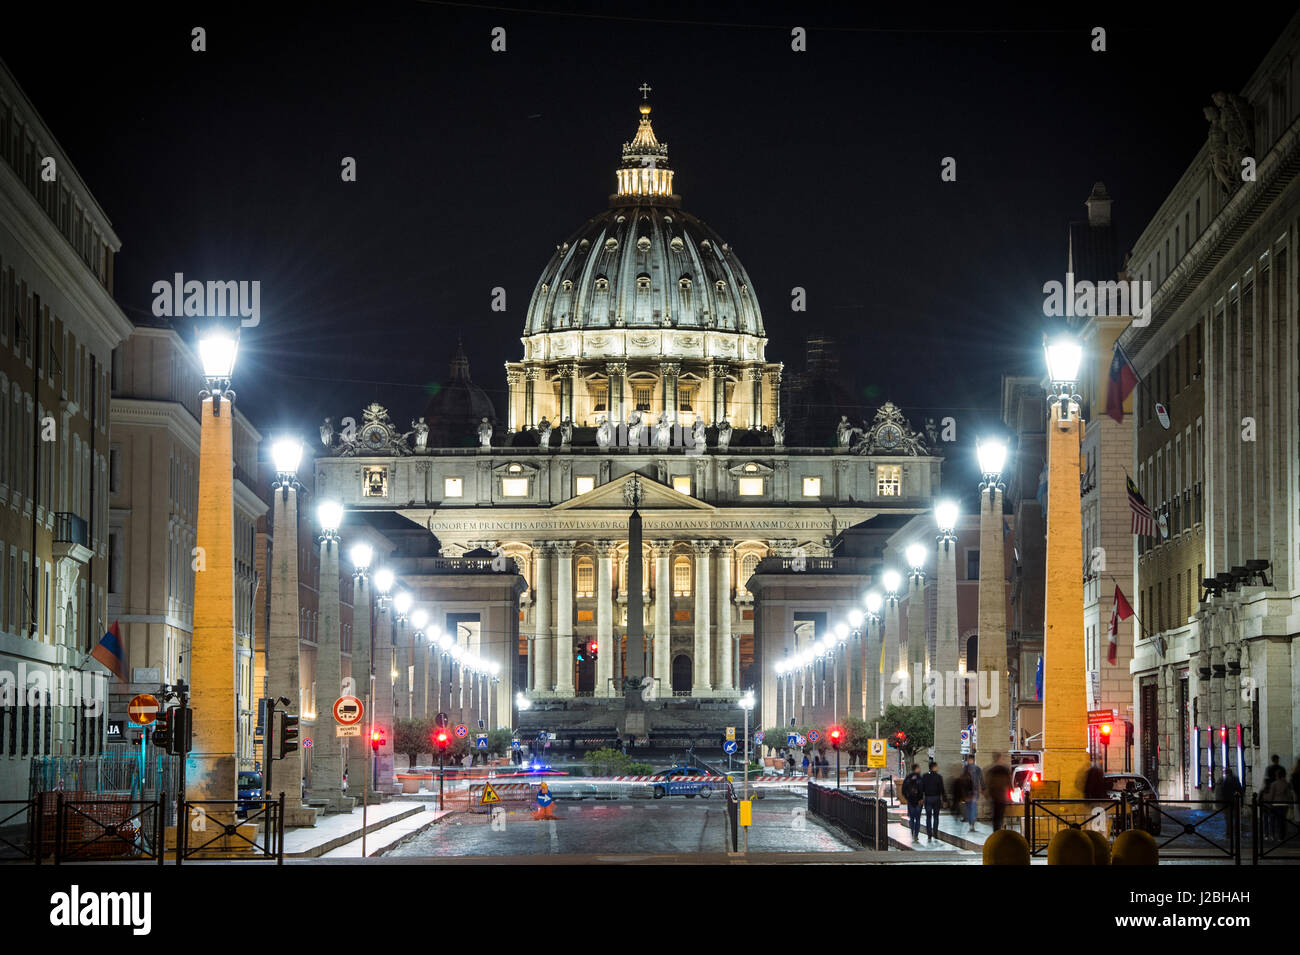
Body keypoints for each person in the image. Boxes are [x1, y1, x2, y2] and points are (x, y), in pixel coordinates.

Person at [986, 753, 1012, 832]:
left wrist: (989, 794)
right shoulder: (1005, 770)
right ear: (1000, 759)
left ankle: (996, 831)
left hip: (995, 796)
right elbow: (1009, 783)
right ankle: (1000, 829)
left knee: (996, 816)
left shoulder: (991, 770)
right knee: (1000, 815)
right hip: (1002, 796)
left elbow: (989, 783)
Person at [1264, 770, 1293, 841]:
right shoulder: (1286, 784)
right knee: (1283, 820)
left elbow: (1271, 795)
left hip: (1276, 804)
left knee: (1276, 820)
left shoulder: (1274, 784)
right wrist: (1291, 805)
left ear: (1277, 775)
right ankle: (1282, 836)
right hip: (1284, 804)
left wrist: (1268, 802)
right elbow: (1289, 795)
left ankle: (1275, 835)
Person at [921, 761, 945, 840]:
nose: (937, 768)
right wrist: (944, 799)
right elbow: (942, 789)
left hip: (928, 798)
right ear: (934, 767)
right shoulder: (938, 777)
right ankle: (935, 833)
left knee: (928, 817)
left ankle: (929, 834)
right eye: (936, 766)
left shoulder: (925, 776)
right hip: (936, 798)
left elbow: (922, 788)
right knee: (936, 816)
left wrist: (921, 798)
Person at [902, 763, 925, 841]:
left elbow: (903, 789)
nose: (920, 769)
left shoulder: (908, 778)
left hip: (910, 801)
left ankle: (912, 832)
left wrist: (907, 797)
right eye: (919, 768)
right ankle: (916, 835)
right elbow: (923, 789)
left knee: (912, 818)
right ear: (916, 768)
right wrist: (922, 799)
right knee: (917, 818)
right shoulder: (920, 778)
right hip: (919, 801)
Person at [963, 754, 984, 832]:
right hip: (973, 791)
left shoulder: (965, 769)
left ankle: (971, 823)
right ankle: (972, 823)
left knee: (970, 807)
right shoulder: (977, 769)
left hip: (968, 792)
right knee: (972, 807)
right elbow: (981, 779)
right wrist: (983, 788)